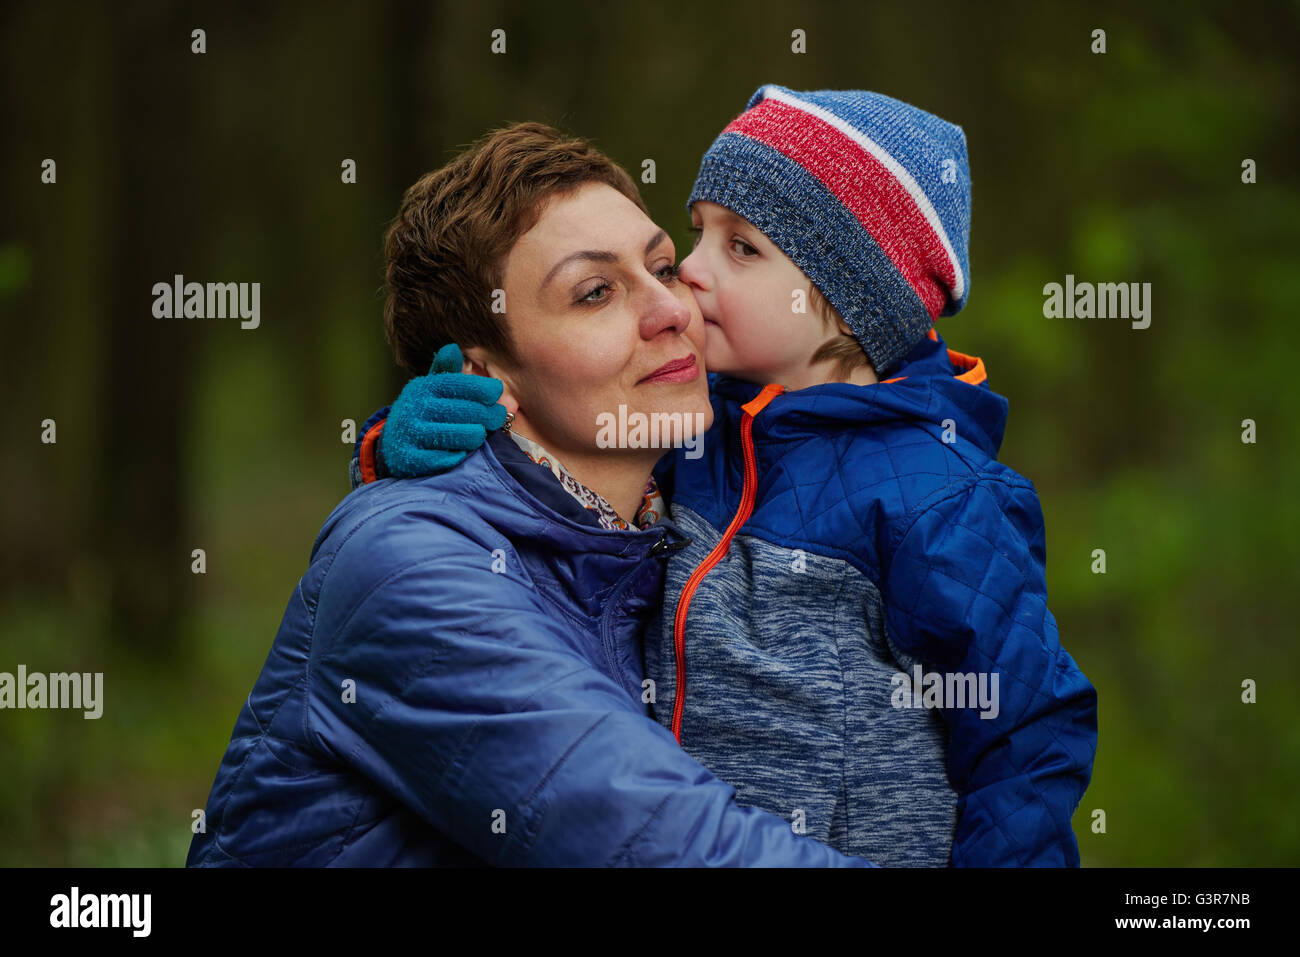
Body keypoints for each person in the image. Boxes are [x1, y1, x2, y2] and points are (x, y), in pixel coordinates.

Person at [358, 85, 1099, 866]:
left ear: (851, 305)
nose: (691, 273)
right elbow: (543, 474)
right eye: (697, 236)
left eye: (741, 248)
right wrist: (399, 442)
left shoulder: (937, 492)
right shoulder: (694, 424)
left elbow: (1027, 731)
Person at [187, 121, 875, 866]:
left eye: (664, 268)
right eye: (595, 292)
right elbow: (661, 844)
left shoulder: (686, 526)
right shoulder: (407, 567)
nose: (673, 310)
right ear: (485, 376)